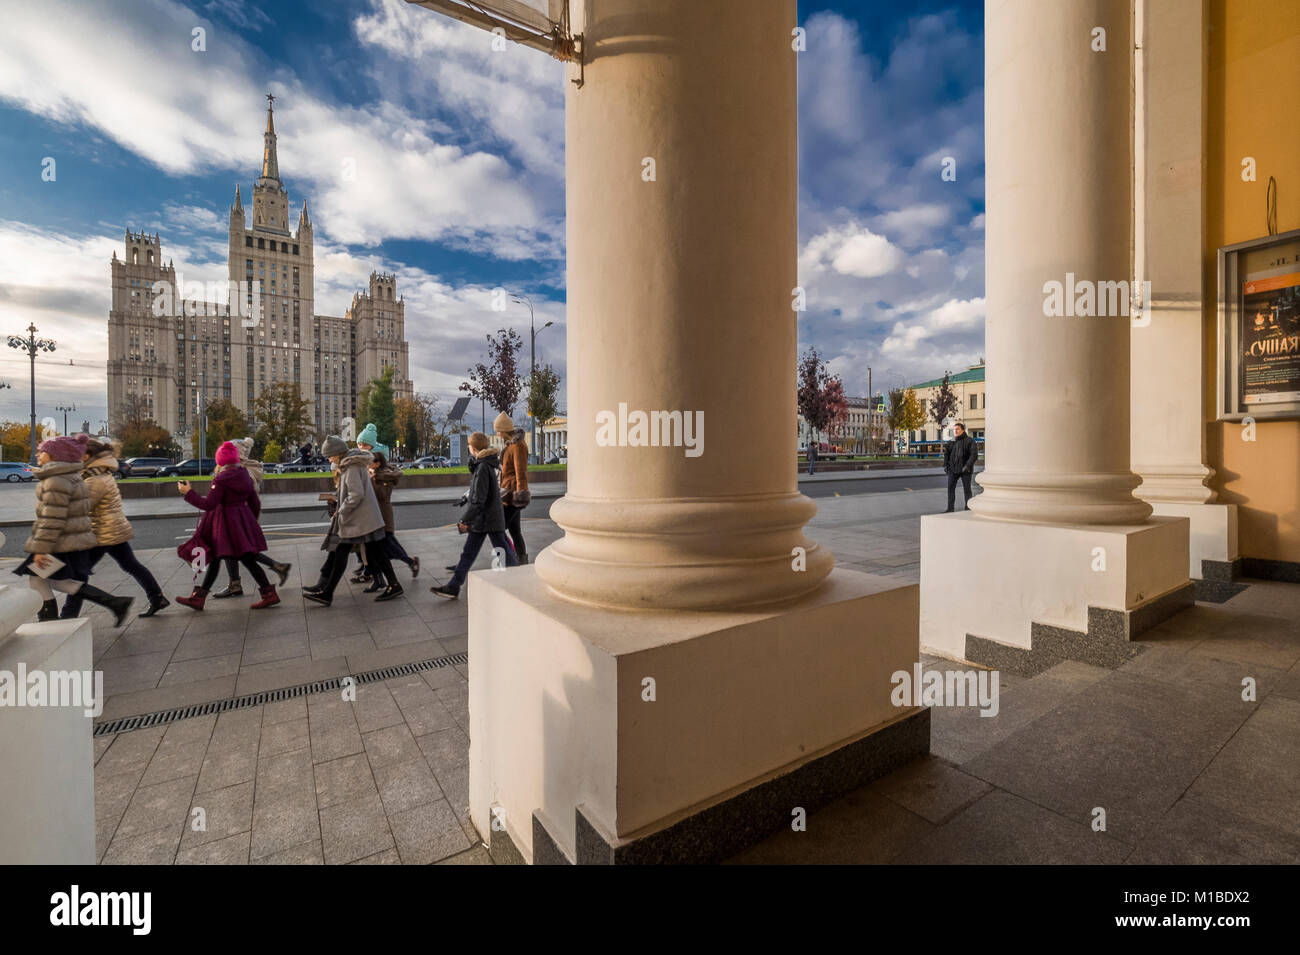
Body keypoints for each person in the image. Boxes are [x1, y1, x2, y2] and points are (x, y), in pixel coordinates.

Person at [14, 433, 133, 626]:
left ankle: (50, 623)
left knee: (39, 580)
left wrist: (41, 549)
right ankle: (115, 603)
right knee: (54, 581)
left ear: (56, 456)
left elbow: (52, 517)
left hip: (59, 544)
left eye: (42, 451)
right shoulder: (71, 477)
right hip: (68, 541)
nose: (38, 454)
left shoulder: (56, 481)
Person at [60, 437, 169, 619]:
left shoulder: (95, 479)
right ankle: (157, 598)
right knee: (131, 565)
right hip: (111, 529)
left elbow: (80, 507)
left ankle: (67, 617)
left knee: (79, 575)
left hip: (102, 533)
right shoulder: (97, 473)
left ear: (87, 455)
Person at [175, 441, 279, 610]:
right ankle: (199, 597)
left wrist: (188, 493)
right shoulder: (244, 474)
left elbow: (209, 504)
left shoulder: (221, 479)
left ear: (220, 460)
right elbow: (254, 502)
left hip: (225, 525)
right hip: (241, 520)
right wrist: (250, 522)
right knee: (224, 558)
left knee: (244, 559)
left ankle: (269, 594)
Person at [304, 435, 402, 606]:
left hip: (358, 520)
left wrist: (341, 510)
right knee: (375, 553)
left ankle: (327, 594)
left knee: (343, 553)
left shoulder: (351, 468)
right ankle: (394, 585)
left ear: (338, 453)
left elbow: (356, 495)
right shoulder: (352, 464)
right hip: (364, 519)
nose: (329, 458)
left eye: (330, 455)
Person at [431, 432, 519, 600]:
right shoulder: (486, 464)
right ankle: (454, 586)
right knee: (481, 552)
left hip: (486, 519)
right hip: (488, 518)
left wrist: (465, 519)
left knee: (497, 551)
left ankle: (515, 578)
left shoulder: (483, 467)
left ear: (472, 447)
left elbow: (479, 498)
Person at [212, 436, 291, 598]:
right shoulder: (241, 469)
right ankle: (273, 570)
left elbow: (249, 498)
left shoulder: (241, 472)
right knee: (236, 552)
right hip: (239, 518)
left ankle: (255, 582)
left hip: (238, 519)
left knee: (241, 553)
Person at [368, 442, 418, 589]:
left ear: (377, 464)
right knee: (389, 542)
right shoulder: (379, 475)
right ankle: (410, 561)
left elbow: (382, 496)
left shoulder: (383, 477)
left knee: (387, 542)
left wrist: (372, 480)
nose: (369, 466)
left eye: (371, 463)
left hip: (383, 513)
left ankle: (411, 561)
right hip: (380, 512)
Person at [495, 412, 532, 565]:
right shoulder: (510, 445)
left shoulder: (517, 446)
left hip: (512, 495)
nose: (497, 433)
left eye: (498, 430)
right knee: (515, 530)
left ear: (504, 430)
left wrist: (521, 495)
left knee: (498, 529)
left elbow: (520, 471)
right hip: (507, 492)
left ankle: (508, 559)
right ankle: (521, 560)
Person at [943, 422, 978, 512]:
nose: (955, 431)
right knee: (950, 489)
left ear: (963, 430)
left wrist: (967, 465)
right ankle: (950, 508)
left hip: (965, 470)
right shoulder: (951, 441)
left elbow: (974, 455)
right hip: (953, 469)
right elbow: (946, 454)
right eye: (954, 429)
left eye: (957, 429)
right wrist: (945, 465)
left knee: (967, 489)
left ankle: (968, 507)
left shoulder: (970, 441)